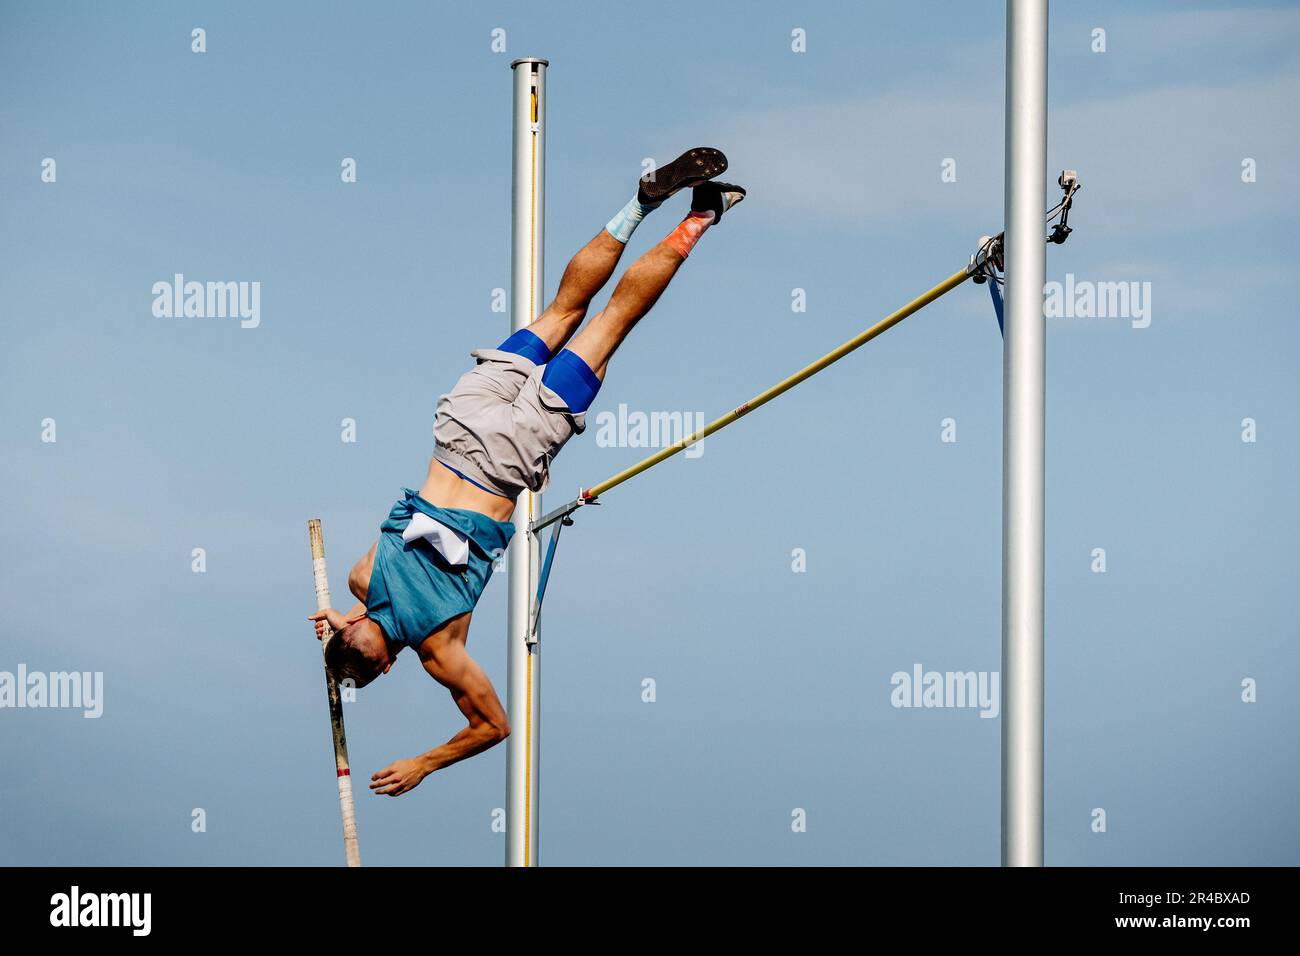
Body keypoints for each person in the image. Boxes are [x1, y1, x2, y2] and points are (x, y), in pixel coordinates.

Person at [309, 148, 746, 796]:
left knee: (611, 323)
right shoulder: (360, 575)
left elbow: (493, 727)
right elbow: (382, 599)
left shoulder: (440, 652)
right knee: (563, 309)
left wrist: (423, 764)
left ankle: (702, 215)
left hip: (511, 455)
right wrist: (344, 618)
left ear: (392, 669)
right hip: (461, 423)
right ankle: (639, 204)